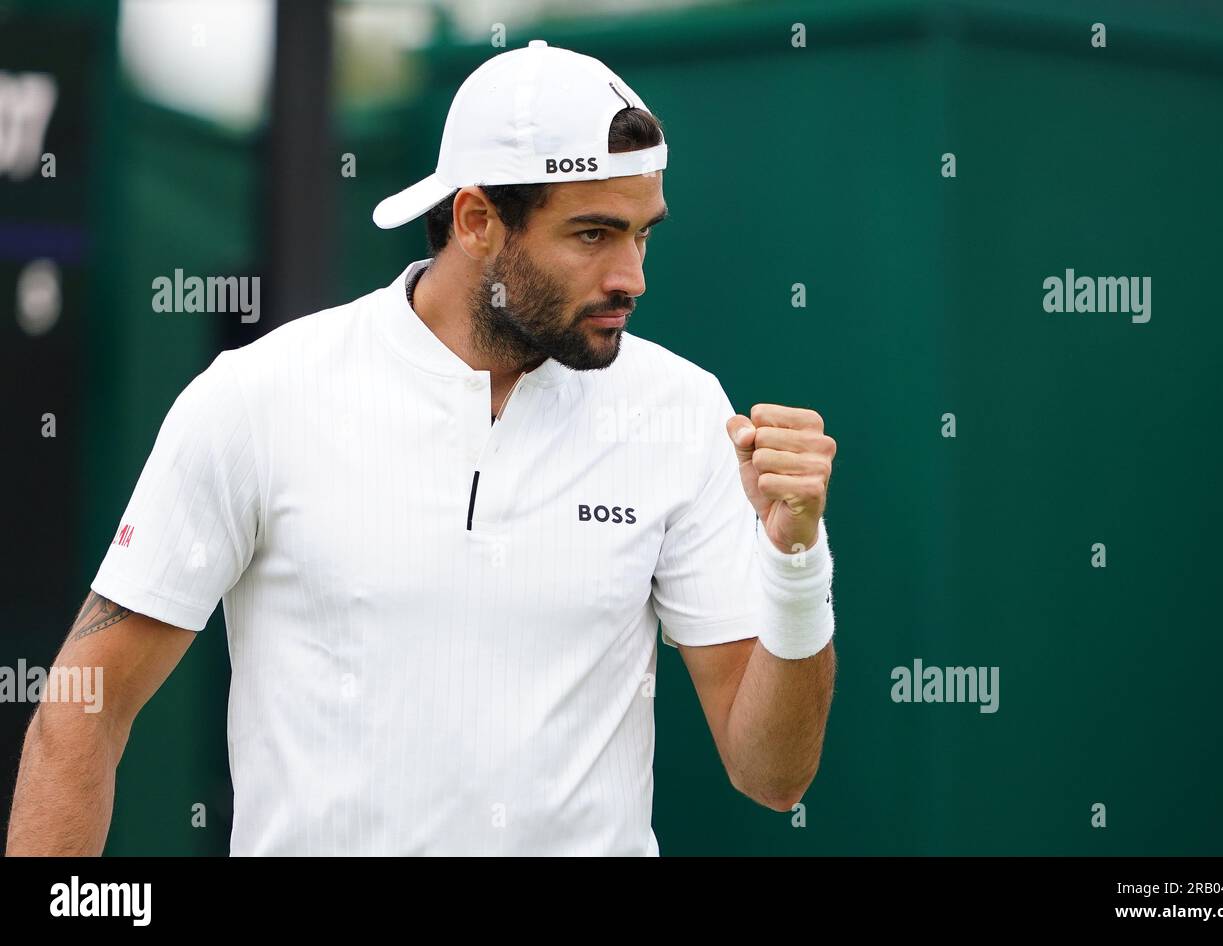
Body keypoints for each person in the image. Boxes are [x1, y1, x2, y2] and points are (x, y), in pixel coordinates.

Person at [7, 39, 838, 856]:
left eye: (642, 234)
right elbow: (85, 706)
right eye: (593, 235)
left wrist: (796, 566)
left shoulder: (681, 410)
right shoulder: (259, 395)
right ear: (477, 221)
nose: (632, 276)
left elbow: (773, 776)